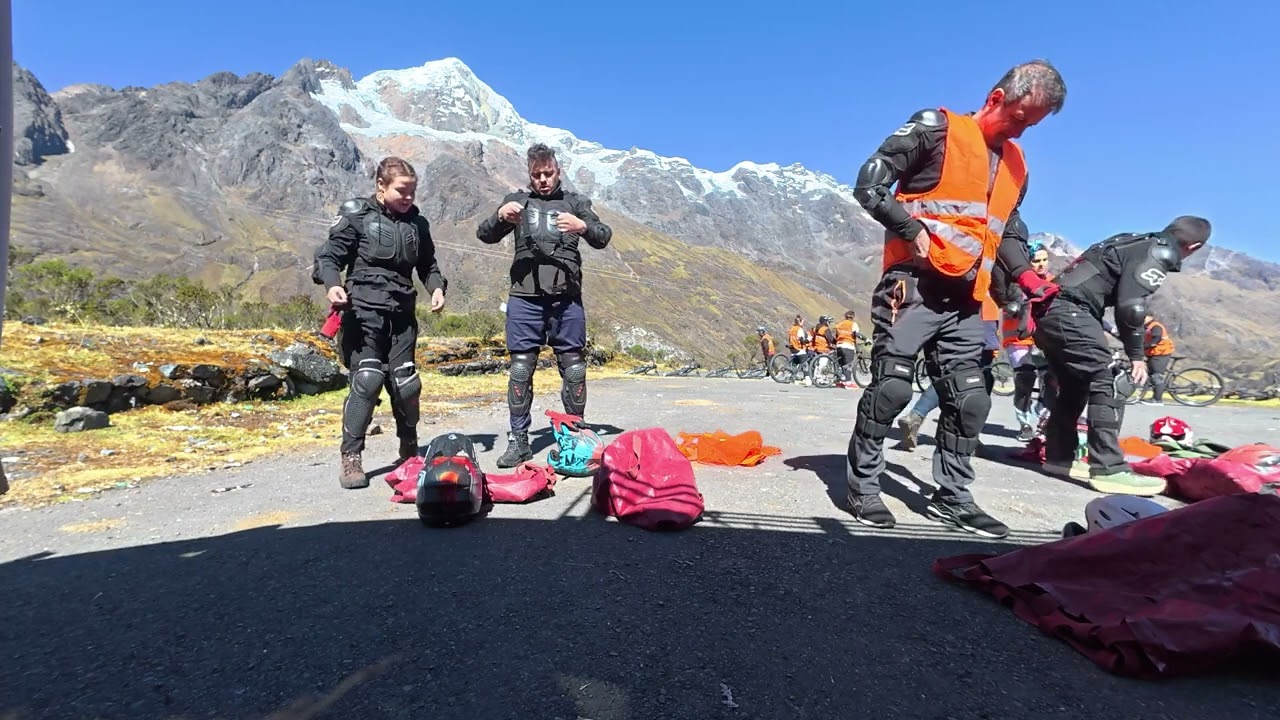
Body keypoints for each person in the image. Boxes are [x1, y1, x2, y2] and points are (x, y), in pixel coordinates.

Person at [844, 59, 1067, 538]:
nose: (1021, 132)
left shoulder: (1015, 165)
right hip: (912, 285)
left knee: (970, 400)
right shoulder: (935, 129)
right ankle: (863, 485)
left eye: (1032, 126)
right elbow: (869, 183)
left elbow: (1008, 230)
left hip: (968, 296)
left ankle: (953, 496)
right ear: (996, 99)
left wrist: (1029, 279)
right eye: (1019, 119)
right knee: (892, 389)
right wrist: (910, 231)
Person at [1034, 216, 1211, 495]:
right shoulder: (1159, 251)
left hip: (1049, 310)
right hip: (1071, 311)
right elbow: (1131, 307)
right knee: (1106, 380)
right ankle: (1109, 469)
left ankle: (1060, 457)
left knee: (1074, 385)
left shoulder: (1130, 240)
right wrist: (1136, 355)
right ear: (1194, 246)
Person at [312, 156, 448, 489]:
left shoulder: (418, 224)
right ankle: (351, 455)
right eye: (402, 191)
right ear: (381, 186)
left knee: (406, 383)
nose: (408, 197)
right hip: (363, 312)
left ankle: (409, 448)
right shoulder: (356, 215)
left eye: (413, 191)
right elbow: (329, 257)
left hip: (402, 314)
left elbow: (428, 265)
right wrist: (332, 285)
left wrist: (436, 288)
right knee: (368, 379)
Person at [477, 143, 613, 468]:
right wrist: (500, 217)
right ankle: (519, 441)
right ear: (529, 174)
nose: (542, 180)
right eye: (536, 174)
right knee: (521, 368)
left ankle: (575, 439)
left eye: (548, 173)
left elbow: (603, 235)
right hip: (525, 299)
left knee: (574, 368)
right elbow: (484, 234)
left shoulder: (575, 203)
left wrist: (582, 226)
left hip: (567, 299)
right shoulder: (517, 202)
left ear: (558, 172)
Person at [1002, 242, 1053, 441]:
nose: (1041, 264)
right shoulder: (1015, 283)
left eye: (1044, 259)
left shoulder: (1053, 281)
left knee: (1050, 378)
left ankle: (1042, 417)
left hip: (1044, 338)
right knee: (1025, 378)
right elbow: (1007, 305)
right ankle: (1024, 423)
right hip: (1018, 338)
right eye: (1036, 261)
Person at [1142, 314, 1175, 405]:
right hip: (1154, 353)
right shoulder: (1147, 327)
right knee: (1153, 375)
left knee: (1157, 376)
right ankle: (1155, 396)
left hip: (1161, 353)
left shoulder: (1156, 326)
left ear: (1150, 317)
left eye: (1144, 317)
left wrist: (1145, 346)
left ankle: (1157, 399)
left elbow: (1156, 339)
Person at [834, 311, 862, 388]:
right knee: (848, 364)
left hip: (839, 345)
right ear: (853, 317)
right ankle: (848, 383)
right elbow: (857, 334)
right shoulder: (853, 324)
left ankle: (840, 381)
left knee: (842, 364)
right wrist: (866, 339)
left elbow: (836, 336)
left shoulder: (839, 324)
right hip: (848, 345)